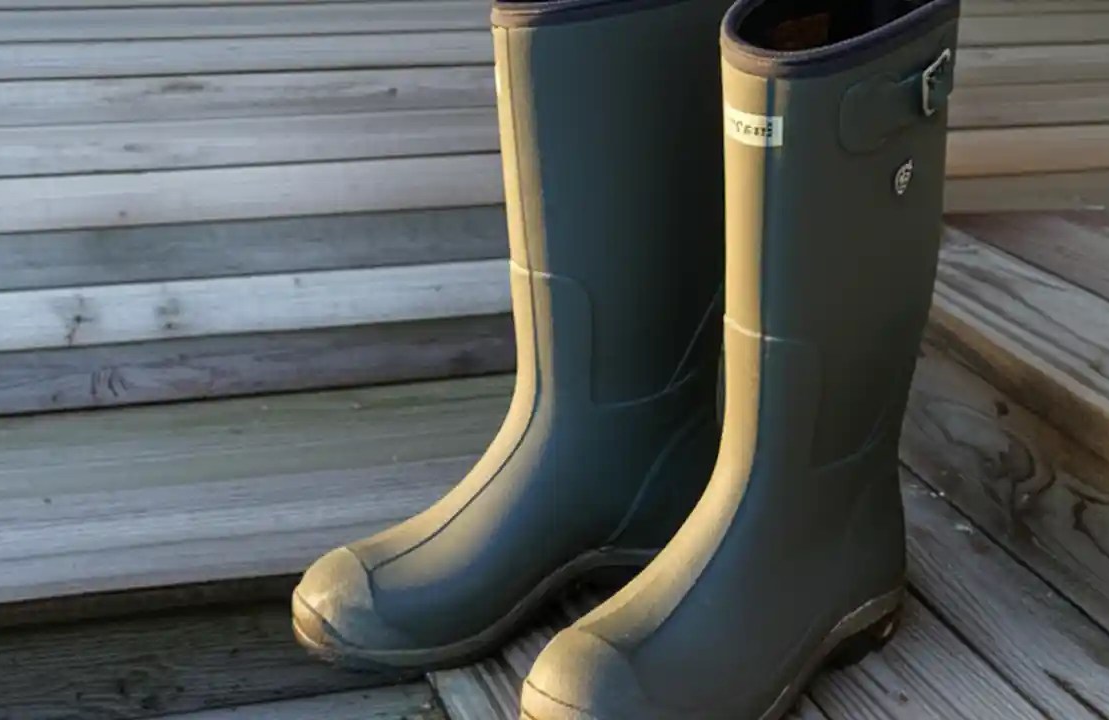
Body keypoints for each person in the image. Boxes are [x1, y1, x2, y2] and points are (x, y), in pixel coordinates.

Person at [292, 0, 959, 717]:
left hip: (800, 511)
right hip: (665, 467)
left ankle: (830, 548)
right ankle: (639, 476)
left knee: (795, 74)